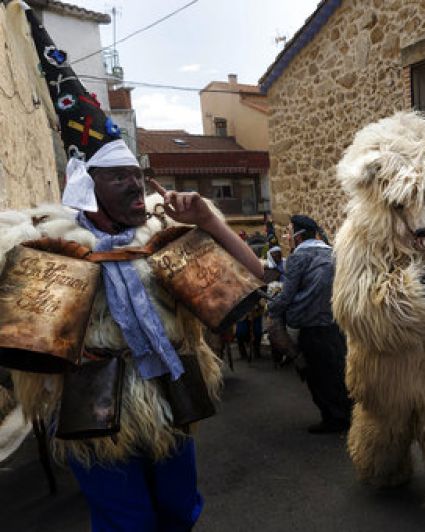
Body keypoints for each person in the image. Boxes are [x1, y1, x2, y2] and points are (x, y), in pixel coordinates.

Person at [5, 5, 265, 529]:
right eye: (119, 177)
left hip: (170, 391)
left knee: (178, 509)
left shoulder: (159, 239)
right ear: (87, 186)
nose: (136, 185)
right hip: (91, 402)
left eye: (136, 175)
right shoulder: (50, 248)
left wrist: (210, 221)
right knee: (125, 520)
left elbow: (255, 279)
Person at [268, 215, 351, 433]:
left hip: (310, 326)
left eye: (289, 232)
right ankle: (346, 415)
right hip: (335, 324)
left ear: (298, 235)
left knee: (317, 376)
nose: (287, 237)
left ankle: (333, 419)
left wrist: (272, 307)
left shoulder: (298, 257)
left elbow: (287, 296)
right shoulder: (333, 253)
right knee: (338, 371)